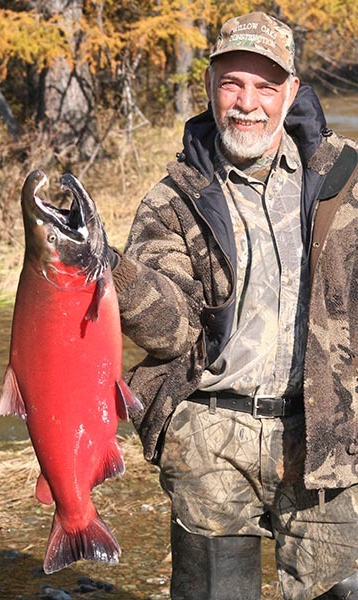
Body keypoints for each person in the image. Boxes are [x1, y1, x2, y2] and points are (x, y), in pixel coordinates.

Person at [110, 11, 358, 600]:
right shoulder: (174, 199)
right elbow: (170, 332)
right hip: (211, 434)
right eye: (232, 84)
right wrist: (109, 268)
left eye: (266, 86)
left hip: (328, 434)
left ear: (292, 91)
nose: (248, 103)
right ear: (211, 87)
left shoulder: (346, 176)